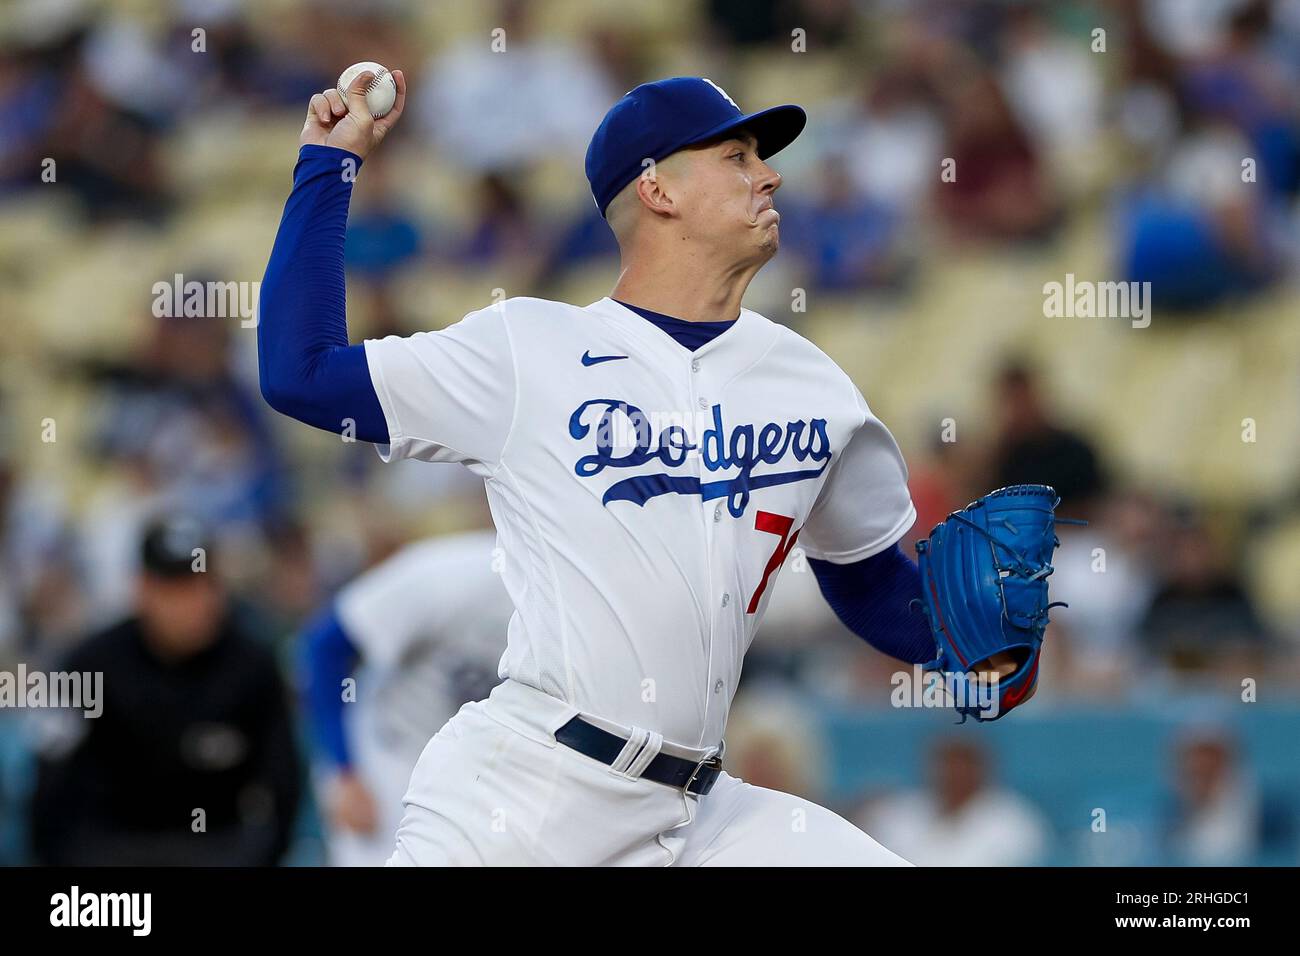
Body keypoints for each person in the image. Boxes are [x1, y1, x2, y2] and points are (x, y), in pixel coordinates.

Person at [258, 72, 1028, 866]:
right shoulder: (526, 351)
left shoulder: (814, 387)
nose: (769, 175)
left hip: (699, 811)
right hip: (525, 793)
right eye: (736, 155)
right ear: (656, 188)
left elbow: (865, 578)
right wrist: (328, 162)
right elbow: (300, 373)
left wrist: (972, 643)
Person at [30, 517, 301, 865]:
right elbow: (49, 796)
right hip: (111, 857)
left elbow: (283, 785)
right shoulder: (88, 665)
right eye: (176, 588)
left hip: (216, 850)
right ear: (142, 588)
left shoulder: (253, 667)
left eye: (203, 585)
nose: (193, 602)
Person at [300, 529, 511, 866]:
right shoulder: (453, 575)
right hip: (390, 756)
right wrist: (345, 770)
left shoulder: (584, 605)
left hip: (484, 772)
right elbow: (325, 648)